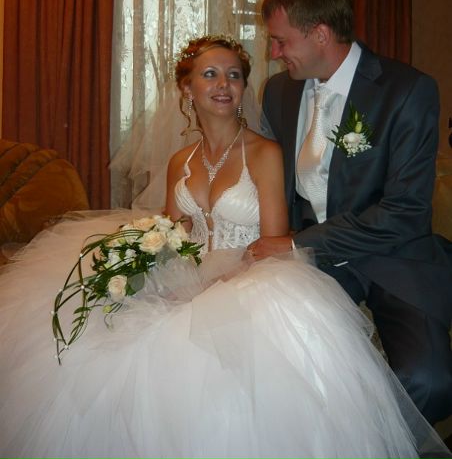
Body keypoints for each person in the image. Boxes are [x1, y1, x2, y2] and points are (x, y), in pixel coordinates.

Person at [0, 35, 450, 459]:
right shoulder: (180, 161)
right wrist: (139, 267)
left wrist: (209, 287)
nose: (224, 85)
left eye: (234, 75)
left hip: (254, 277)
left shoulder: (265, 153)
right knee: (95, 345)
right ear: (187, 88)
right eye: (210, 74)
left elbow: (272, 244)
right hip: (189, 274)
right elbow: (172, 235)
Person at [248, 0, 452, 426]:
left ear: (320, 35)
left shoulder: (407, 91)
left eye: (280, 41)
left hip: (393, 255)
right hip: (313, 262)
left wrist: (296, 244)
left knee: (429, 379)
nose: (273, 53)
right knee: (271, 364)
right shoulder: (279, 91)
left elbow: (405, 213)